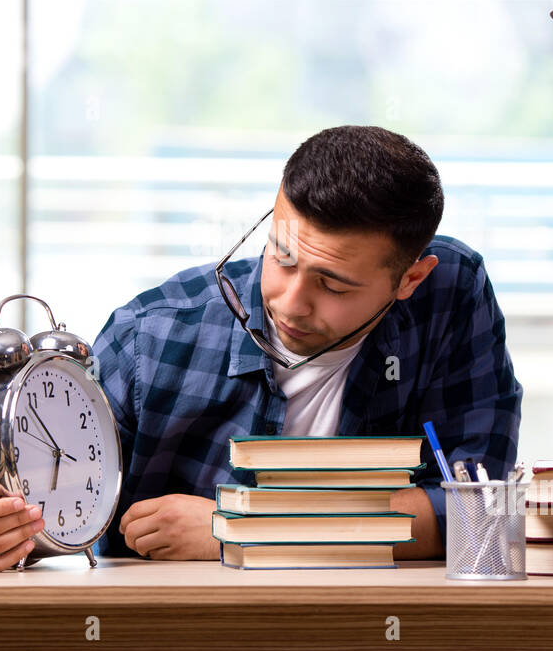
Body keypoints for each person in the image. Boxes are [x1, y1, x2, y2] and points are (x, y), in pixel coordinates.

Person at [87, 124, 522, 561]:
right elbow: (52, 513)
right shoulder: (148, 336)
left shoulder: (451, 294)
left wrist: (240, 527)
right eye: (282, 256)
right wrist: (19, 532)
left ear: (410, 278)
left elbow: (478, 514)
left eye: (332, 286)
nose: (292, 305)